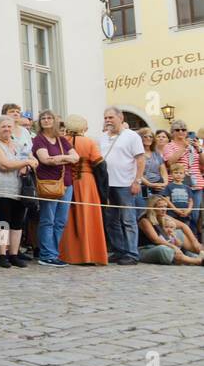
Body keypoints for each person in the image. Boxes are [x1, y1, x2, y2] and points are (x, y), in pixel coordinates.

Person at [57, 115, 106, 266]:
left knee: (67, 217)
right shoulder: (89, 142)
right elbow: (100, 165)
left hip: (66, 181)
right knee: (88, 216)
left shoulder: (62, 141)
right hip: (86, 182)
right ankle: (89, 254)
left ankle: (69, 254)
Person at [98, 107, 145, 266]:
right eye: (105, 118)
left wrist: (137, 181)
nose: (108, 120)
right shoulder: (102, 138)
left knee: (128, 220)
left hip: (125, 184)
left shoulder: (131, 136)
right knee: (111, 220)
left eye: (111, 117)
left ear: (120, 117)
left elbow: (140, 160)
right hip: (107, 186)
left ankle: (132, 253)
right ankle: (119, 251)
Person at [0, 115, 36, 268]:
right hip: (1, 188)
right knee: (3, 221)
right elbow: (4, 164)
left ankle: (14, 254)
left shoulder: (17, 144)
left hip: (19, 188)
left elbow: (33, 160)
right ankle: (2, 254)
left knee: (17, 223)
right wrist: (25, 162)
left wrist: (27, 164)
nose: (7, 129)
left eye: (9, 127)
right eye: (3, 127)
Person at [29, 110, 76, 266]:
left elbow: (76, 157)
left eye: (50, 118)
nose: (46, 120)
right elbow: (45, 160)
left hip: (66, 183)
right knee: (48, 220)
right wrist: (65, 159)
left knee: (61, 220)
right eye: (43, 118)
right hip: (49, 183)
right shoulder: (39, 140)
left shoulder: (62, 140)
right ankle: (46, 254)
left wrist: (60, 158)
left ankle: (53, 252)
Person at [163, 119, 203, 234]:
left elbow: (202, 164)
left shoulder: (193, 146)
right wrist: (183, 147)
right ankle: (183, 240)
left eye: (184, 130)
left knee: (195, 215)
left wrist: (199, 149)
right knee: (180, 214)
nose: (181, 132)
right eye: (177, 130)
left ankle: (194, 239)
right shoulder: (169, 146)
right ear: (172, 132)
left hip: (196, 185)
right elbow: (170, 162)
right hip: (179, 185)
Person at [137, 196, 203, 266]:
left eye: (165, 206)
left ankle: (198, 252)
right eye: (160, 207)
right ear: (153, 207)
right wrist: (173, 247)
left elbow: (183, 226)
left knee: (179, 233)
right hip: (147, 249)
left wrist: (195, 242)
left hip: (165, 244)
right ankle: (196, 261)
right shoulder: (145, 220)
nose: (164, 209)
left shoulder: (163, 216)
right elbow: (156, 240)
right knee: (163, 249)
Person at [139, 127, 168, 216]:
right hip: (143, 187)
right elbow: (136, 172)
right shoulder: (137, 153)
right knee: (144, 213)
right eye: (145, 136)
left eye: (150, 136)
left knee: (159, 214)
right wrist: (150, 184)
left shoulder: (156, 154)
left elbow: (163, 171)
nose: (148, 138)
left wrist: (164, 183)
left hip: (159, 187)